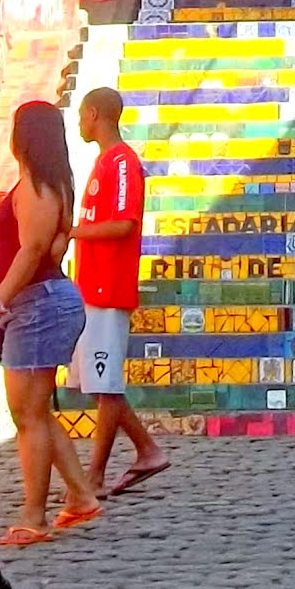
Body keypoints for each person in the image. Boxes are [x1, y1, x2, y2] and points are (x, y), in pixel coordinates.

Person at [0, 102, 100, 546]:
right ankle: (81, 496)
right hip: (41, 303)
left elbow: (32, 252)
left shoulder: (38, 186)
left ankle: (33, 515)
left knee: (26, 415)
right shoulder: (52, 186)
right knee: (36, 411)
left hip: (37, 304)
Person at [69, 87, 168, 497]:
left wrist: (71, 232)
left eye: (81, 116)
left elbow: (124, 223)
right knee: (99, 382)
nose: (79, 123)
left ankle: (94, 477)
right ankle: (147, 450)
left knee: (105, 384)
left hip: (108, 286)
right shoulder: (104, 162)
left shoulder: (123, 161)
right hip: (91, 286)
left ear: (95, 113)